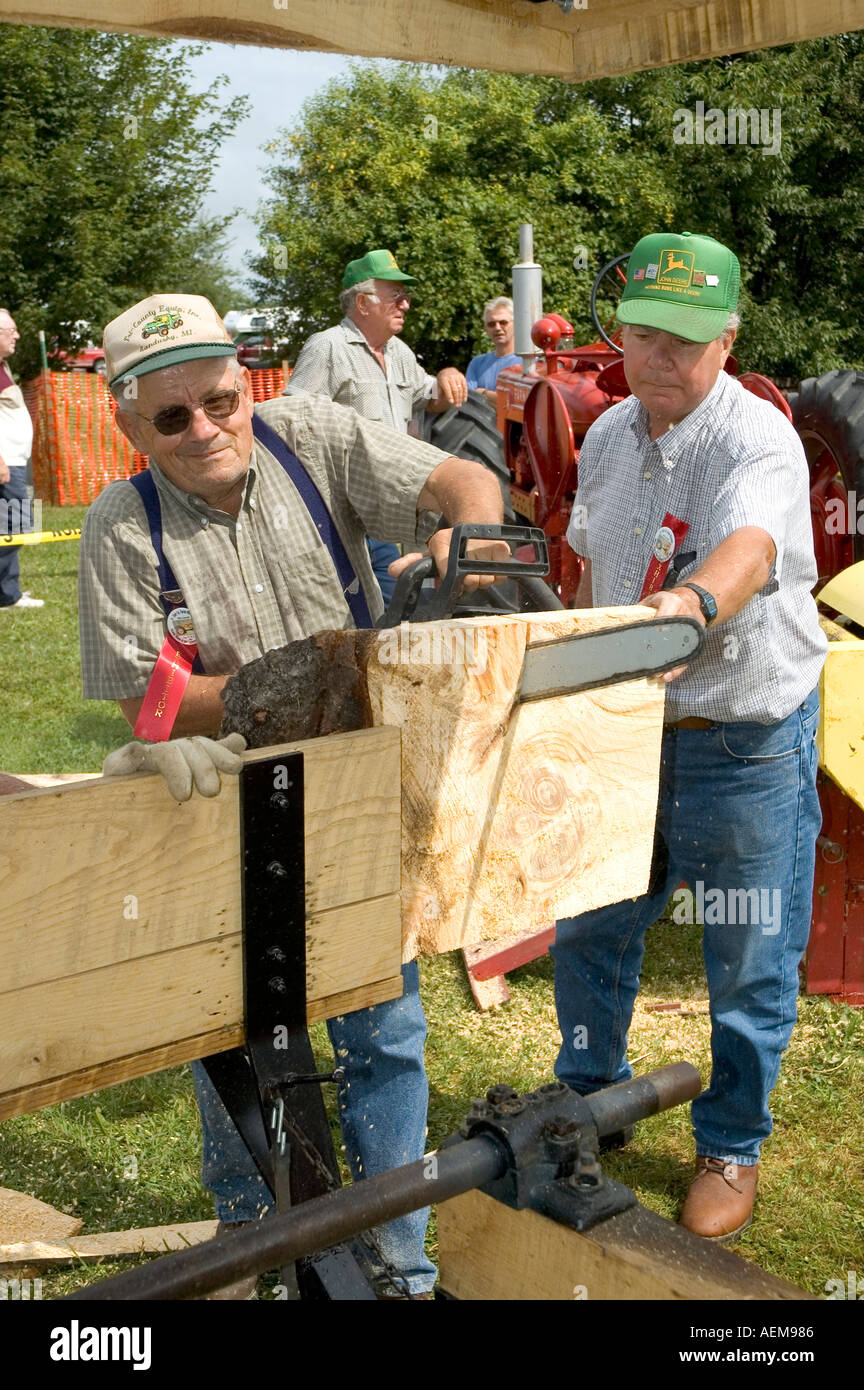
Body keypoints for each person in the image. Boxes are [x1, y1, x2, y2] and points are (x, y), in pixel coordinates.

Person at [78, 293, 506, 1299]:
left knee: (384, 1026)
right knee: (236, 1033)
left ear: (247, 385)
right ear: (128, 422)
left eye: (220, 401)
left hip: (360, 787)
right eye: (170, 418)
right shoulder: (120, 525)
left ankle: (398, 1257)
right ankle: (248, 1247)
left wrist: (472, 538)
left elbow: (460, 476)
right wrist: (271, 687)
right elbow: (145, 692)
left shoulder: (311, 436)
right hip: (223, 797)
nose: (205, 430)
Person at [554, 231, 826, 1241]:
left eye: (687, 340)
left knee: (748, 950)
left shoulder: (758, 440)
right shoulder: (610, 436)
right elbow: (587, 567)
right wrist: (585, 674)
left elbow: (751, 548)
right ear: (619, 333)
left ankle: (731, 1142)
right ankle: (588, 1095)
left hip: (740, 738)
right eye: (644, 335)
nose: (662, 357)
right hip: (628, 726)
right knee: (590, 923)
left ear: (728, 340)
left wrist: (689, 609)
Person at [284, 249, 470, 604]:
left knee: (402, 602)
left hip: (395, 508)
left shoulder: (398, 351)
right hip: (351, 514)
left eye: (406, 296)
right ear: (362, 302)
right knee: (382, 608)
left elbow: (430, 397)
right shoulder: (327, 348)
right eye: (396, 296)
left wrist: (446, 376)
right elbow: (291, 421)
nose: (405, 305)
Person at [0, 308, 43, 610]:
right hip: (6, 463)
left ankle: (8, 590)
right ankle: (7, 595)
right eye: (10, 330)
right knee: (10, 527)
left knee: (11, 526)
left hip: (14, 461)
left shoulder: (2, 366)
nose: (17, 335)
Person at [466, 297, 520, 404]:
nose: (497, 328)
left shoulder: (531, 362)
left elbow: (518, 402)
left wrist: (483, 393)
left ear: (516, 324)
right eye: (491, 324)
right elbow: (469, 400)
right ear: (485, 329)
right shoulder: (477, 363)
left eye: (503, 322)